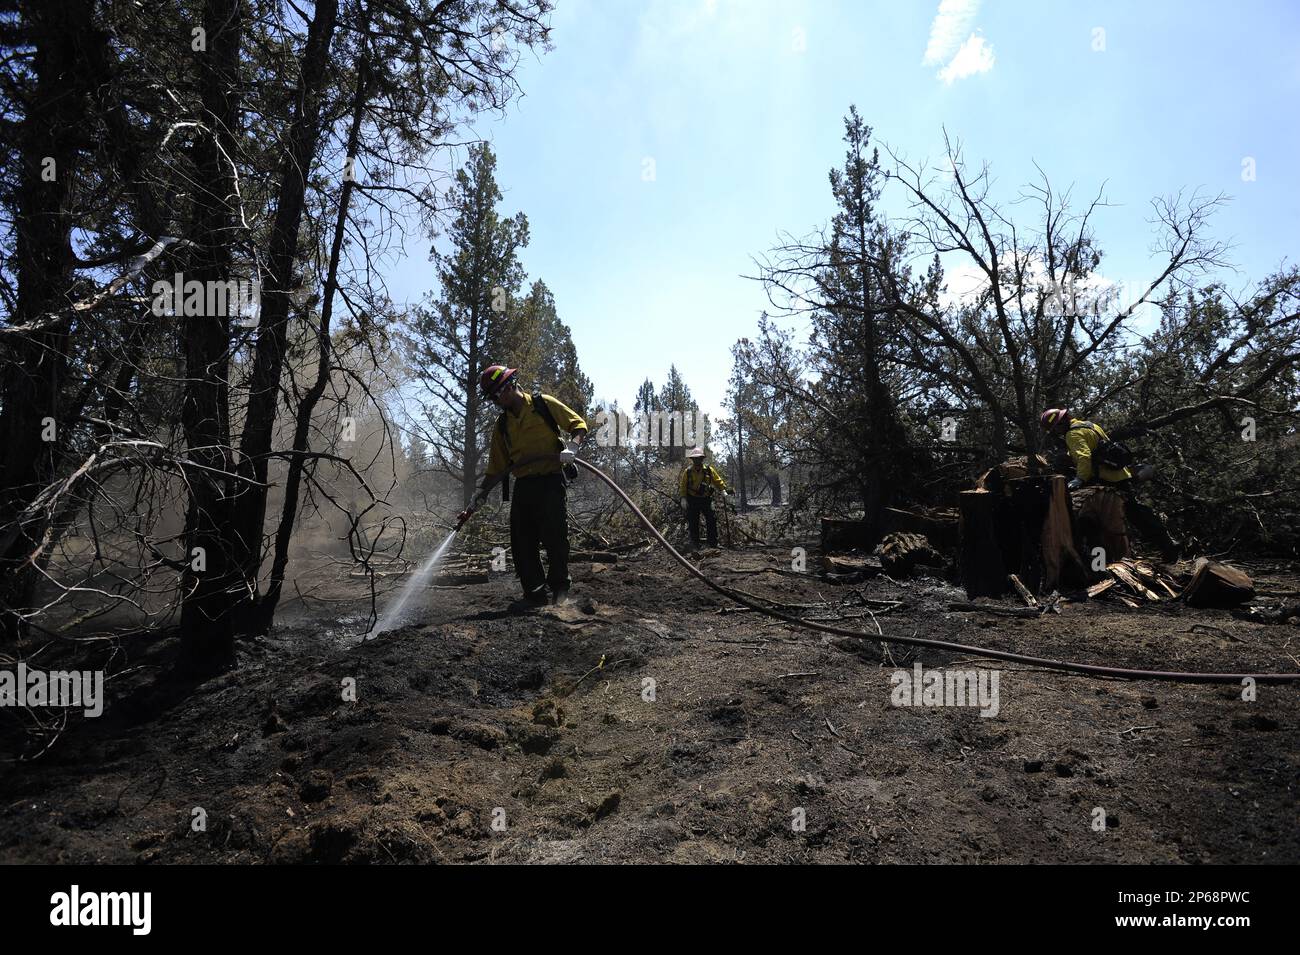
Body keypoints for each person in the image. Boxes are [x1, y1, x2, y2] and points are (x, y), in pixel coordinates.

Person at [462, 365, 588, 606]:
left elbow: (578, 425)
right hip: (524, 486)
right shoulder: (502, 426)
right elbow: (496, 468)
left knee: (556, 539)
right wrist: (480, 494)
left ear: (508, 387)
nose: (496, 402)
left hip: (550, 480)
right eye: (492, 398)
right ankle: (535, 592)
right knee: (522, 543)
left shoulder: (543, 405)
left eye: (496, 396)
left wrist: (572, 447)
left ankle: (560, 592)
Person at [1039, 408, 1179, 562]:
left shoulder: (1072, 434)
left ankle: (1101, 564)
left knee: (1095, 524)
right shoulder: (1088, 425)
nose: (1057, 433)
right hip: (1120, 476)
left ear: (1060, 424)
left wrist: (1080, 479)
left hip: (1103, 481)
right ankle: (1167, 546)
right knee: (1136, 514)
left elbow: (1084, 457)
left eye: (1055, 429)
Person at [679, 446, 732, 549]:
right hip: (692, 499)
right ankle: (695, 544)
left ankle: (713, 544)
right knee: (693, 522)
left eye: (699, 458)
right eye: (695, 458)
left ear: (702, 459)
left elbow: (718, 481)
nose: (697, 460)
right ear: (692, 459)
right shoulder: (688, 471)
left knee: (711, 520)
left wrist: (723, 490)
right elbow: (683, 486)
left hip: (706, 499)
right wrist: (683, 498)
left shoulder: (708, 470)